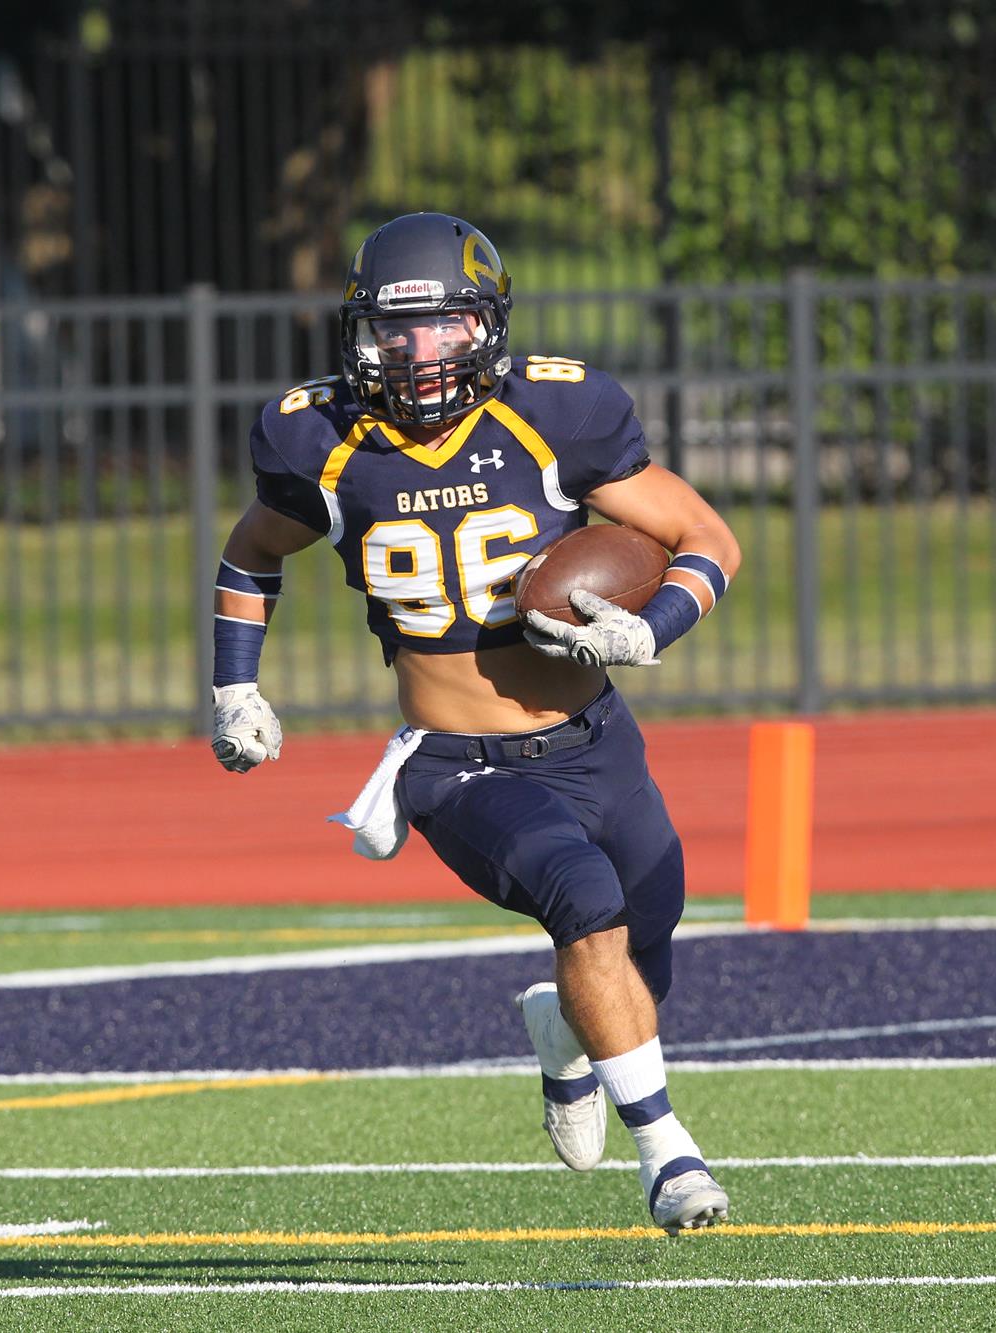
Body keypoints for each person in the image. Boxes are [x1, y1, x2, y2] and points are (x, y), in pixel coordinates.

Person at [208, 212, 741, 1235]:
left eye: (443, 325)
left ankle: (564, 1032)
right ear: (361, 333)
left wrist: (654, 624)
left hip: (594, 741)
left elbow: (704, 535)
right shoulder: (322, 440)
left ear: (486, 325)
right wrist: (236, 688)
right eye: (395, 328)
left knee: (647, 945)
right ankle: (669, 1156)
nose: (419, 350)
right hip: (458, 762)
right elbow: (251, 551)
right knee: (585, 901)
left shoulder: (557, 415)